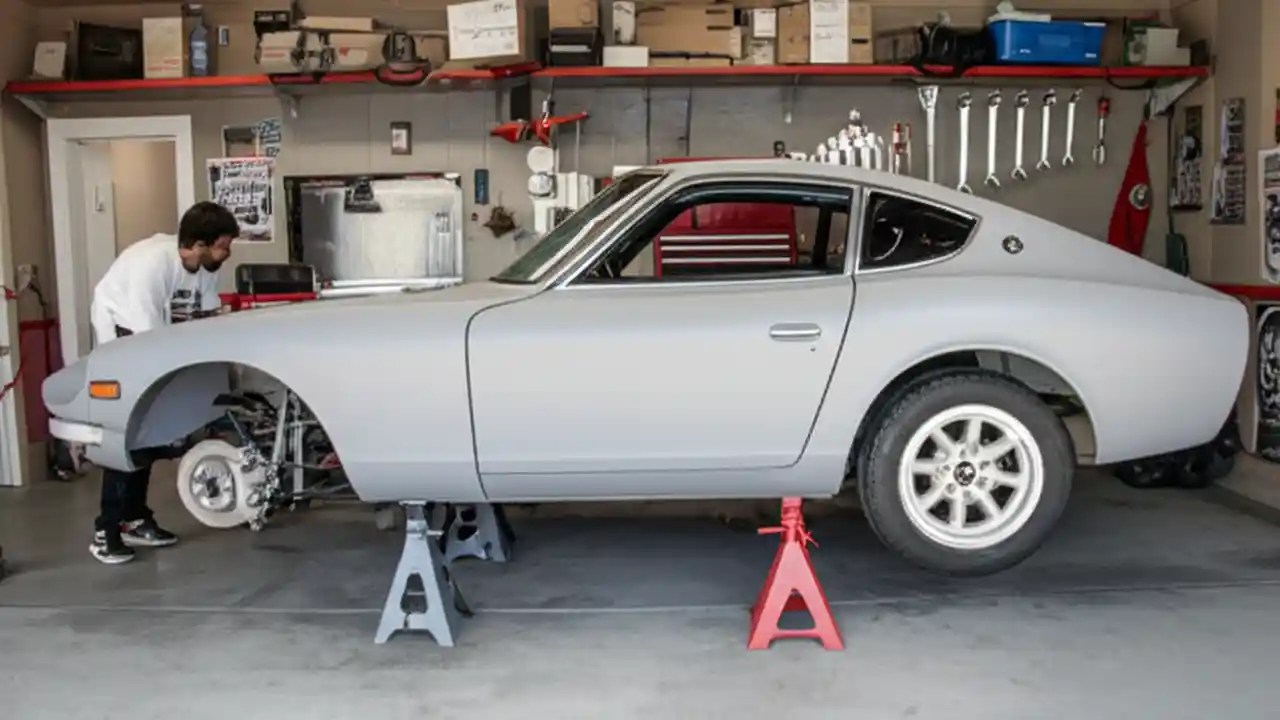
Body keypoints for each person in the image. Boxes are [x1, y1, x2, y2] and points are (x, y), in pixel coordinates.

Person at [87, 201, 238, 564]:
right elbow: (149, 337)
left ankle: (135, 518)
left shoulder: (205, 268)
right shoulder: (151, 265)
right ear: (199, 245)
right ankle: (106, 531)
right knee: (129, 437)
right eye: (223, 245)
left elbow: (206, 318)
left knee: (152, 435)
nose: (228, 253)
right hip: (125, 340)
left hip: (159, 341)